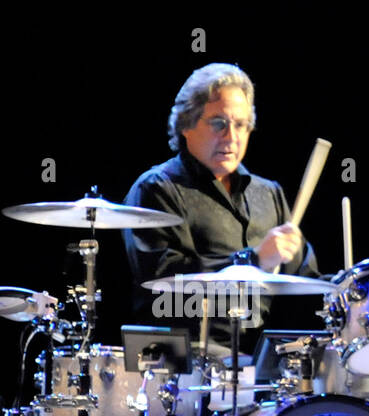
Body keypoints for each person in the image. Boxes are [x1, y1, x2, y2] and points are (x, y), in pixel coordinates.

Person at [123, 62, 319, 352]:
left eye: (241, 125)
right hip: (184, 360)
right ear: (186, 125)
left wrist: (355, 290)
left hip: (265, 358)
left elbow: (307, 283)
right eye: (219, 124)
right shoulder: (156, 189)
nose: (232, 137)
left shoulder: (269, 194)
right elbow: (166, 289)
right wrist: (251, 261)